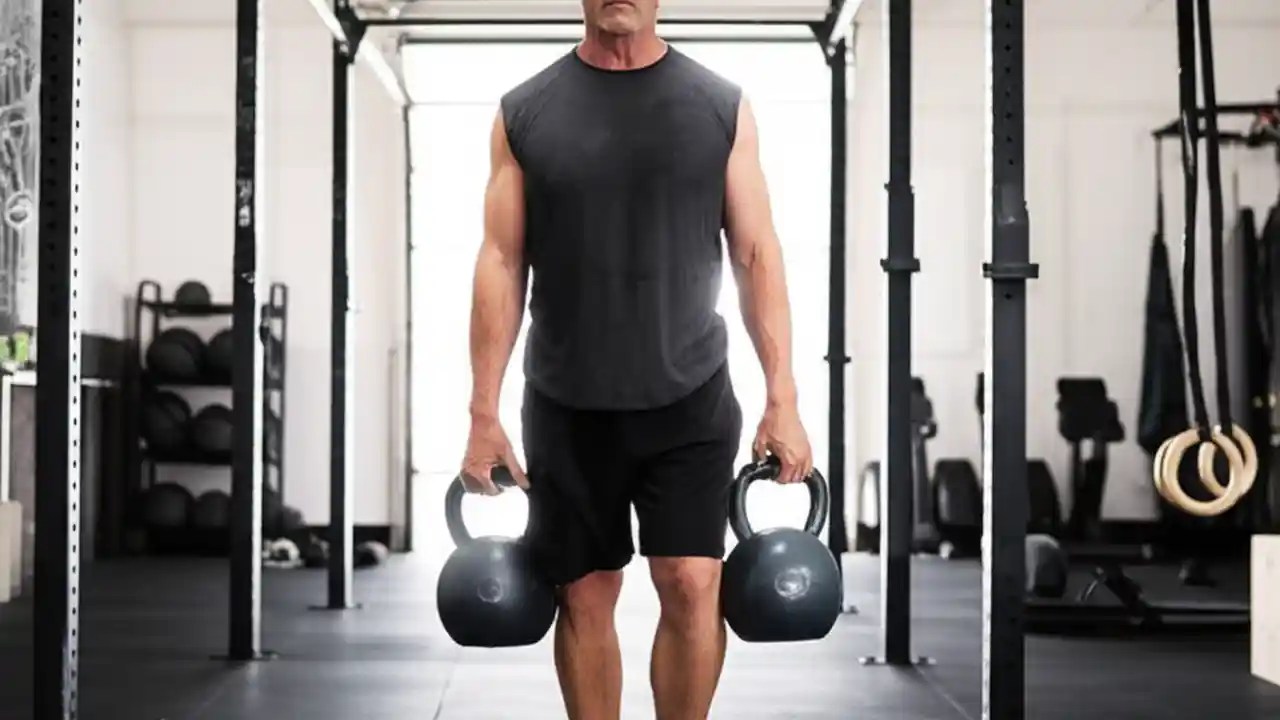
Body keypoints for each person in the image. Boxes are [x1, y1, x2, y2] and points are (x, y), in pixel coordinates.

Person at [459, 1, 812, 718]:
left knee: (689, 581)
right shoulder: (524, 112)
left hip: (689, 396)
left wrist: (784, 396)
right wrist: (482, 411)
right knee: (586, 595)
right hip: (566, 401)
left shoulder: (720, 107)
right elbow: (500, 259)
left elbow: (755, 253)